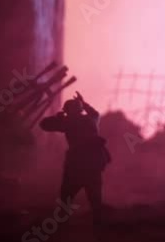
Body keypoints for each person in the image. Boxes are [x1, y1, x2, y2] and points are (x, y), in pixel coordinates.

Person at [40, 92, 111, 225]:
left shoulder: (68, 122)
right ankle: (99, 227)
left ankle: (62, 226)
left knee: (66, 195)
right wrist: (84, 104)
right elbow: (95, 114)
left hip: (77, 165)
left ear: (68, 112)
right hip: (94, 163)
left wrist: (58, 118)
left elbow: (44, 125)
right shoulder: (91, 120)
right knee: (95, 199)